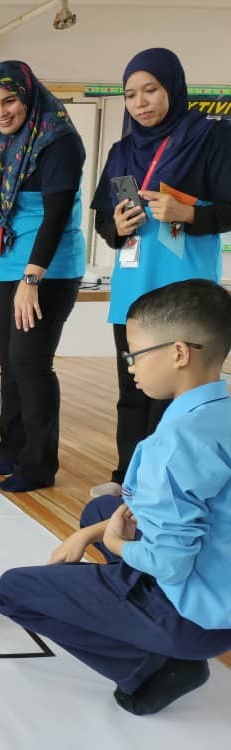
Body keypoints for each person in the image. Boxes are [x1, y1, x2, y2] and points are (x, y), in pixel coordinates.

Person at [0, 279, 231, 716]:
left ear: (179, 353)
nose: (131, 368)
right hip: (223, 589)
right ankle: (149, 622)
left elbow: (170, 561)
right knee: (101, 510)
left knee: (14, 590)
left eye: (135, 354)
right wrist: (88, 533)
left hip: (195, 619)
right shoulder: (220, 412)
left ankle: (155, 667)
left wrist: (117, 545)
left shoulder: (176, 443)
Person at [89, 47, 231, 497]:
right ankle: (127, 480)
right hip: (133, 288)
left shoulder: (212, 137)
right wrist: (117, 226)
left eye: (150, 90)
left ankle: (174, 484)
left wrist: (187, 212)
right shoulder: (122, 149)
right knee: (133, 389)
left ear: (173, 87)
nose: (140, 103)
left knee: (181, 394)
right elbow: (101, 220)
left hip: (185, 293)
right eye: (130, 94)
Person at [0, 61, 86, 493]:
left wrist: (32, 278)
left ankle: (39, 465)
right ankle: (14, 450)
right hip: (2, 264)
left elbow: (56, 216)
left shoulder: (59, 141)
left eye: (10, 101)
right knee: (8, 362)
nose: (1, 112)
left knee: (31, 362)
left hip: (47, 269)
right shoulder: (1, 143)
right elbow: (5, 197)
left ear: (29, 97)